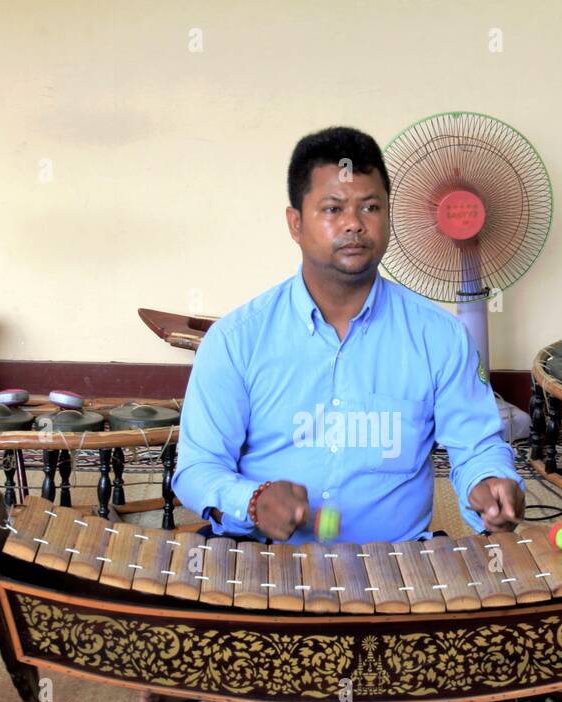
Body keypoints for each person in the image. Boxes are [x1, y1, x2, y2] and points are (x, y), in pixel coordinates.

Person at [172, 126, 524, 545]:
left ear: (389, 215)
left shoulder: (441, 336)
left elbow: (477, 446)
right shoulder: (235, 340)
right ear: (295, 223)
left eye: (371, 207)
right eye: (333, 209)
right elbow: (196, 469)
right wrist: (252, 500)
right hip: (261, 558)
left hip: (397, 567)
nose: (354, 224)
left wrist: (489, 482)